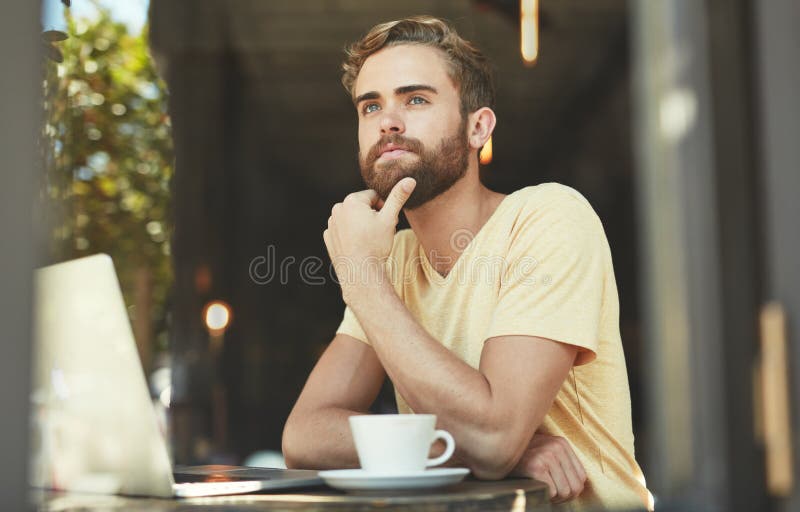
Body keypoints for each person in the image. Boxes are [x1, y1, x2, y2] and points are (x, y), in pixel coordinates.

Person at [282, 15, 651, 510]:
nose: (388, 121)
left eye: (415, 99)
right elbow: (304, 436)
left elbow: (492, 441)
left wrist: (361, 278)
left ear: (478, 127)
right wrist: (464, 447)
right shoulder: (395, 258)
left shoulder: (549, 217)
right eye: (371, 106)